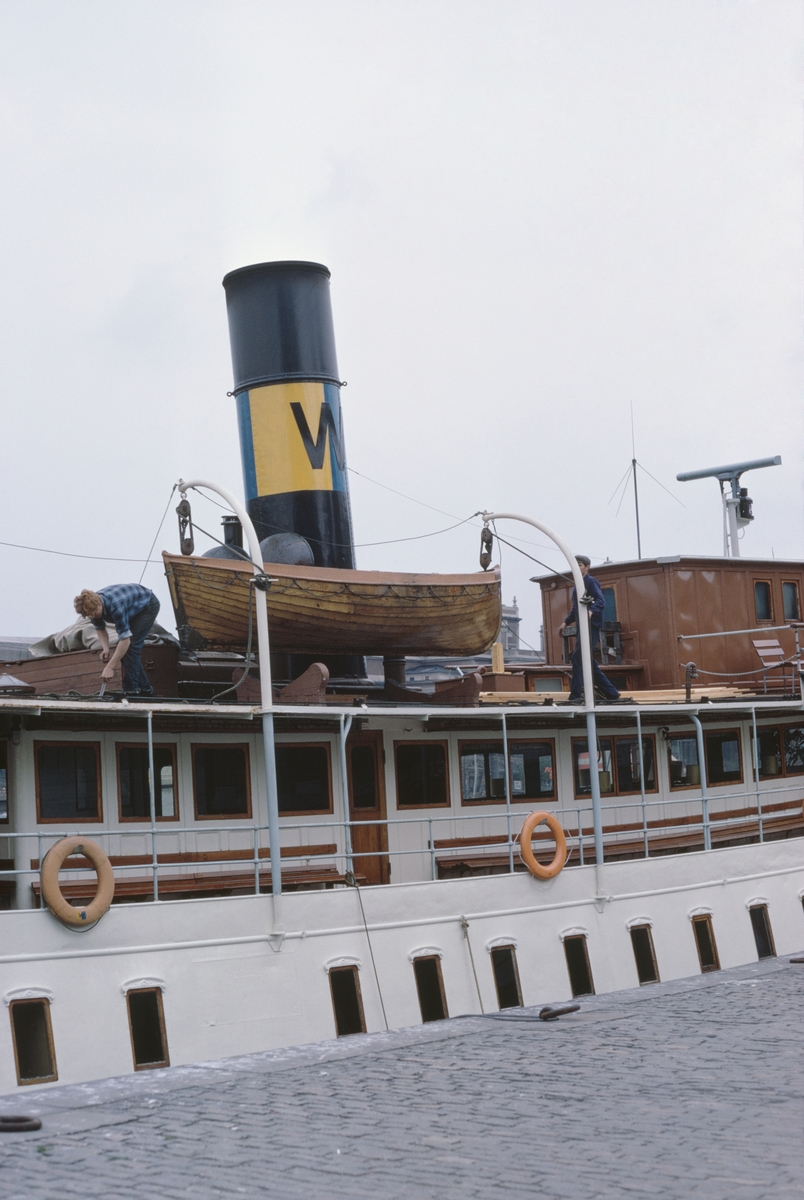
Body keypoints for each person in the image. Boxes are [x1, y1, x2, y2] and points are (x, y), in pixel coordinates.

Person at [74, 585, 160, 696]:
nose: (93, 617)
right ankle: (145, 690)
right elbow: (100, 628)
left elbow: (125, 641)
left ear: (99, 604)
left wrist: (110, 667)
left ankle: (132, 690)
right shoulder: (93, 608)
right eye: (90, 616)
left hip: (147, 604)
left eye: (94, 614)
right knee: (124, 649)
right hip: (130, 606)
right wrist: (105, 648)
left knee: (131, 647)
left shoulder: (116, 606)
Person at [558, 556, 620, 704]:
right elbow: (576, 607)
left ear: (587, 567)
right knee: (586, 660)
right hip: (582, 626)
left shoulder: (591, 582)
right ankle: (611, 692)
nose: (577, 568)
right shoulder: (578, 585)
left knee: (578, 658)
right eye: (575, 565)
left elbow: (600, 600)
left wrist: (591, 611)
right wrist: (566, 622)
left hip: (591, 626)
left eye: (579, 565)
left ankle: (576, 696)